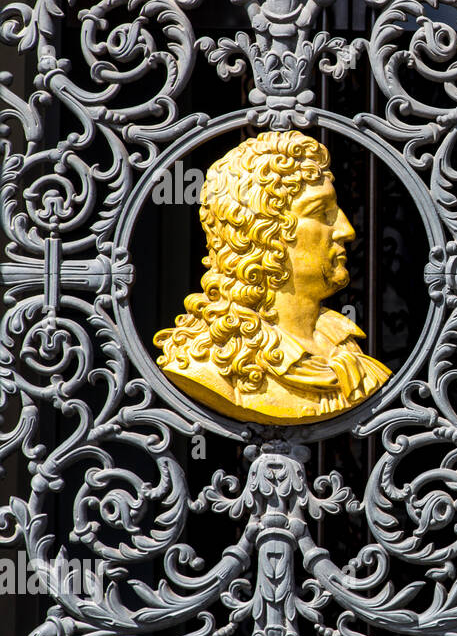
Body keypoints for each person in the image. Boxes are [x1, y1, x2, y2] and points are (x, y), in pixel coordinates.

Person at [155, 131, 390, 424]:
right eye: (321, 212)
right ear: (263, 235)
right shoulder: (205, 362)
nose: (346, 230)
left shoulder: (348, 352)